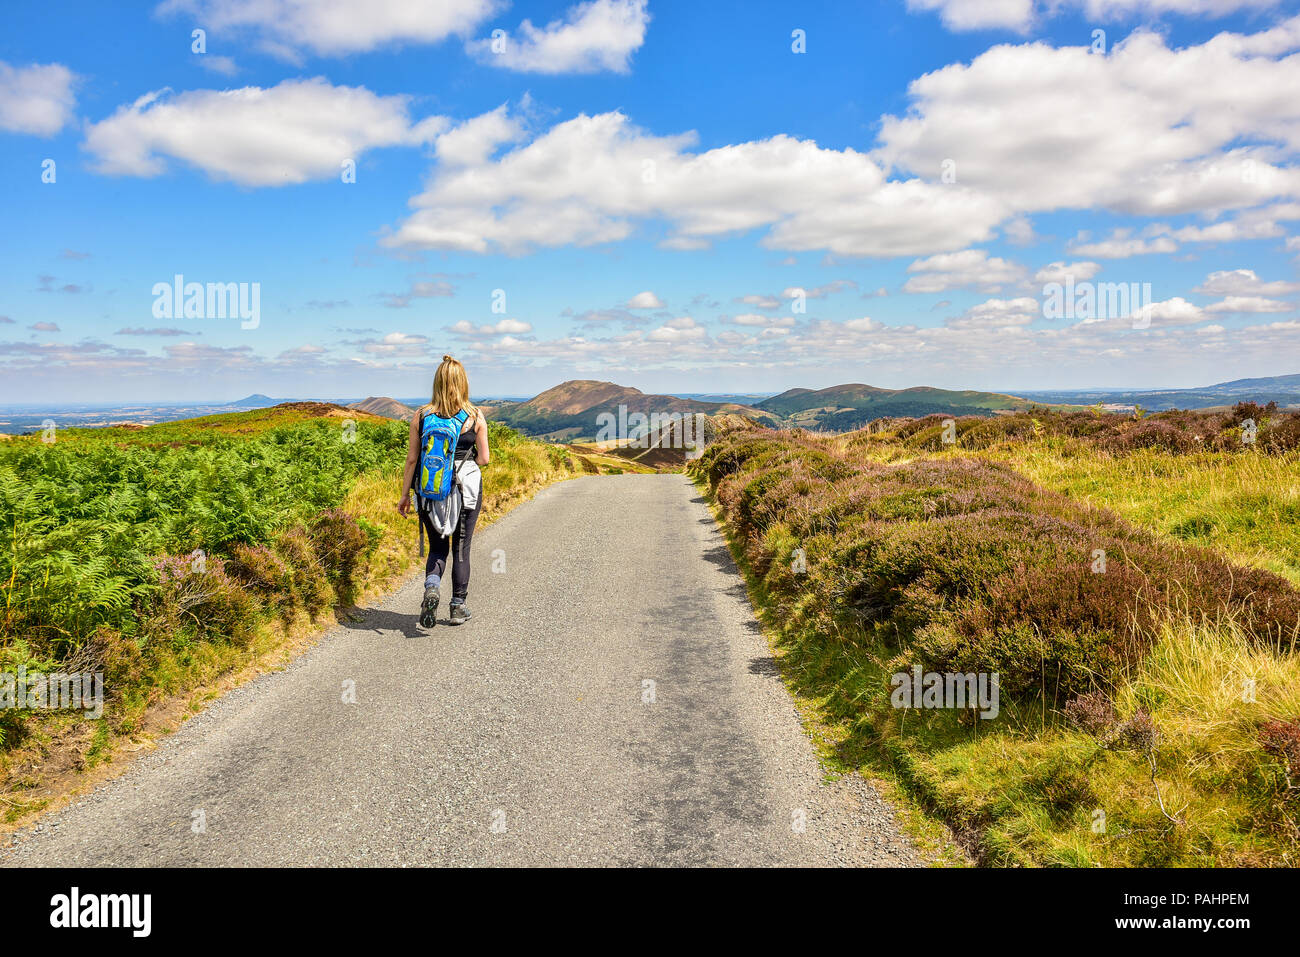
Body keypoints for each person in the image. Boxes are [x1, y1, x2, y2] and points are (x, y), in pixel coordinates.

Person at [398, 355, 490, 627]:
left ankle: (431, 588)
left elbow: (413, 459)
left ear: (437, 382)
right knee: (461, 548)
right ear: (463, 383)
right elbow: (484, 458)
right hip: (466, 490)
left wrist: (405, 495)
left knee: (438, 547)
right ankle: (458, 607)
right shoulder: (475, 415)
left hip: (430, 490)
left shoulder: (422, 415)